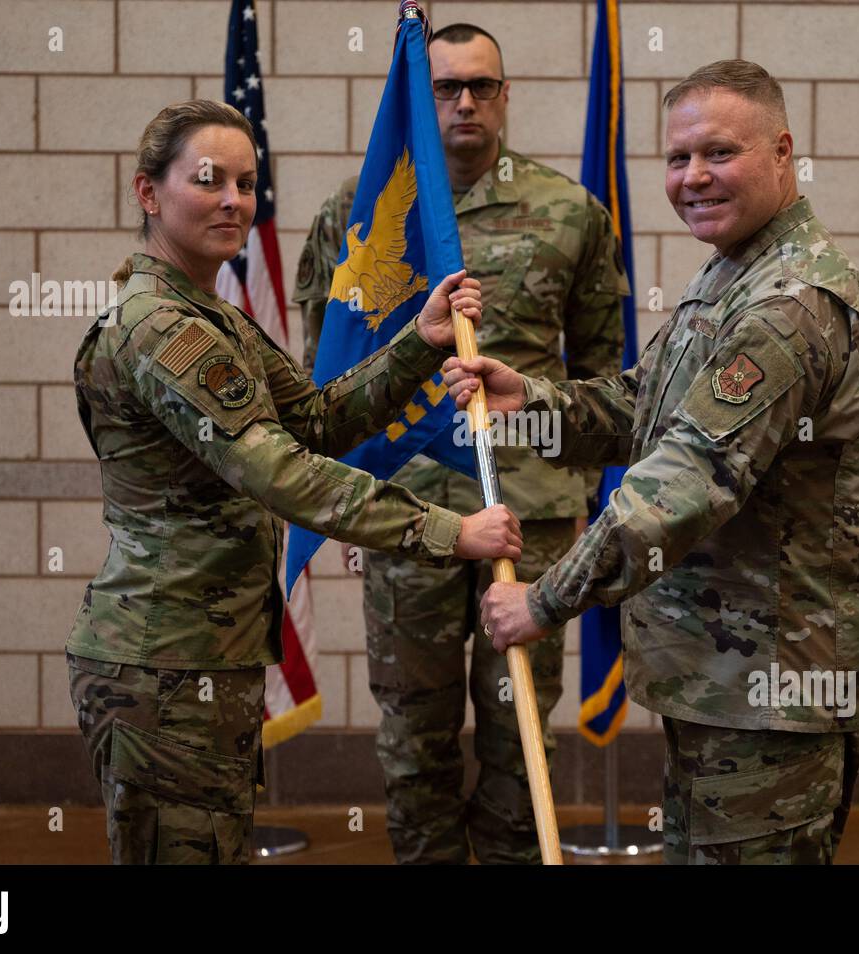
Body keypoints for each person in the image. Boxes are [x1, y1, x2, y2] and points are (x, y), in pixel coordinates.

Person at [446, 60, 859, 865]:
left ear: (783, 152)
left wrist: (545, 600)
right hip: (720, 677)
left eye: (719, 154)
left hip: (769, 691)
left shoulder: (788, 306)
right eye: (679, 158)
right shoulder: (731, 276)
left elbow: (683, 480)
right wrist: (532, 401)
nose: (693, 178)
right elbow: (644, 408)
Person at [65, 99, 521, 865]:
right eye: (209, 181)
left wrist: (420, 342)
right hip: (165, 662)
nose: (234, 201)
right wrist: (448, 532)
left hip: (206, 655)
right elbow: (277, 470)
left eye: (247, 183)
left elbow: (312, 420)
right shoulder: (163, 328)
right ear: (149, 193)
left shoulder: (212, 316)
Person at [293, 23, 627, 864]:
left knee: (520, 731)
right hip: (404, 510)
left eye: (483, 85)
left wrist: (584, 497)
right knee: (414, 731)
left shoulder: (569, 213)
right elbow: (325, 376)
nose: (466, 102)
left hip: (532, 512)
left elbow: (602, 376)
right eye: (446, 87)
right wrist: (343, 500)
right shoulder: (357, 213)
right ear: (421, 96)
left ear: (506, 95)